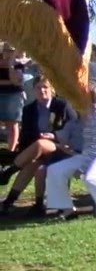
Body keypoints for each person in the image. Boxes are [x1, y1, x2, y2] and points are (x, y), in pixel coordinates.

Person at [44, 82, 96, 220]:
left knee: (90, 178)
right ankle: (67, 209)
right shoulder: (87, 112)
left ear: (91, 96)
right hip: (89, 154)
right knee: (55, 169)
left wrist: (82, 168)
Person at [0, 76, 76, 216]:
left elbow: (74, 127)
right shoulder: (29, 109)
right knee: (34, 164)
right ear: (34, 90)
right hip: (37, 151)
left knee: (41, 143)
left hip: (60, 146)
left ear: (52, 90)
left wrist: (54, 136)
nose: (42, 91)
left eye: (45, 87)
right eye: (39, 88)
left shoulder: (62, 105)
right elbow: (26, 136)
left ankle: (9, 171)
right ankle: (13, 202)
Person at [0, 43, 25, 153]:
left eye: (11, 50)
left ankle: (11, 151)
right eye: (6, 50)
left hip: (13, 96)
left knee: (12, 124)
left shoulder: (18, 64)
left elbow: (16, 82)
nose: (8, 53)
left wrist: (10, 65)